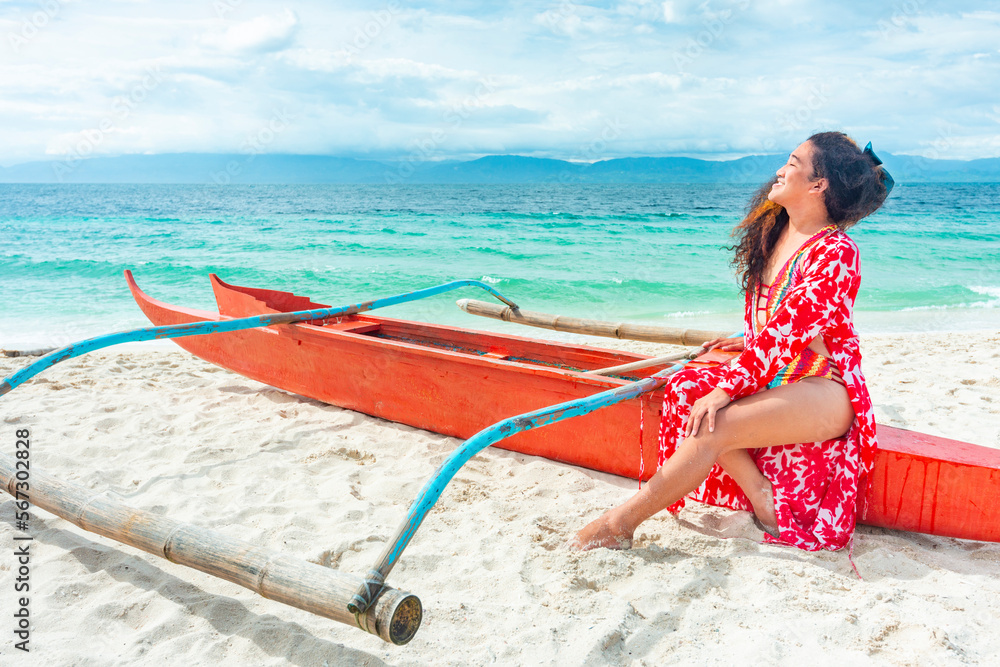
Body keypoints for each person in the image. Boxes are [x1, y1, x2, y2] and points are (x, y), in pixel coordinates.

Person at [570, 131, 893, 552]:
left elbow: (789, 331)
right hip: (778, 370)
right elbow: (775, 324)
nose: (780, 170)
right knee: (686, 387)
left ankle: (619, 523)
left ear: (819, 185)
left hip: (823, 385)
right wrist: (745, 343)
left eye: (793, 163)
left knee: (713, 421)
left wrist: (728, 386)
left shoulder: (836, 251)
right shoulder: (776, 233)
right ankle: (760, 492)